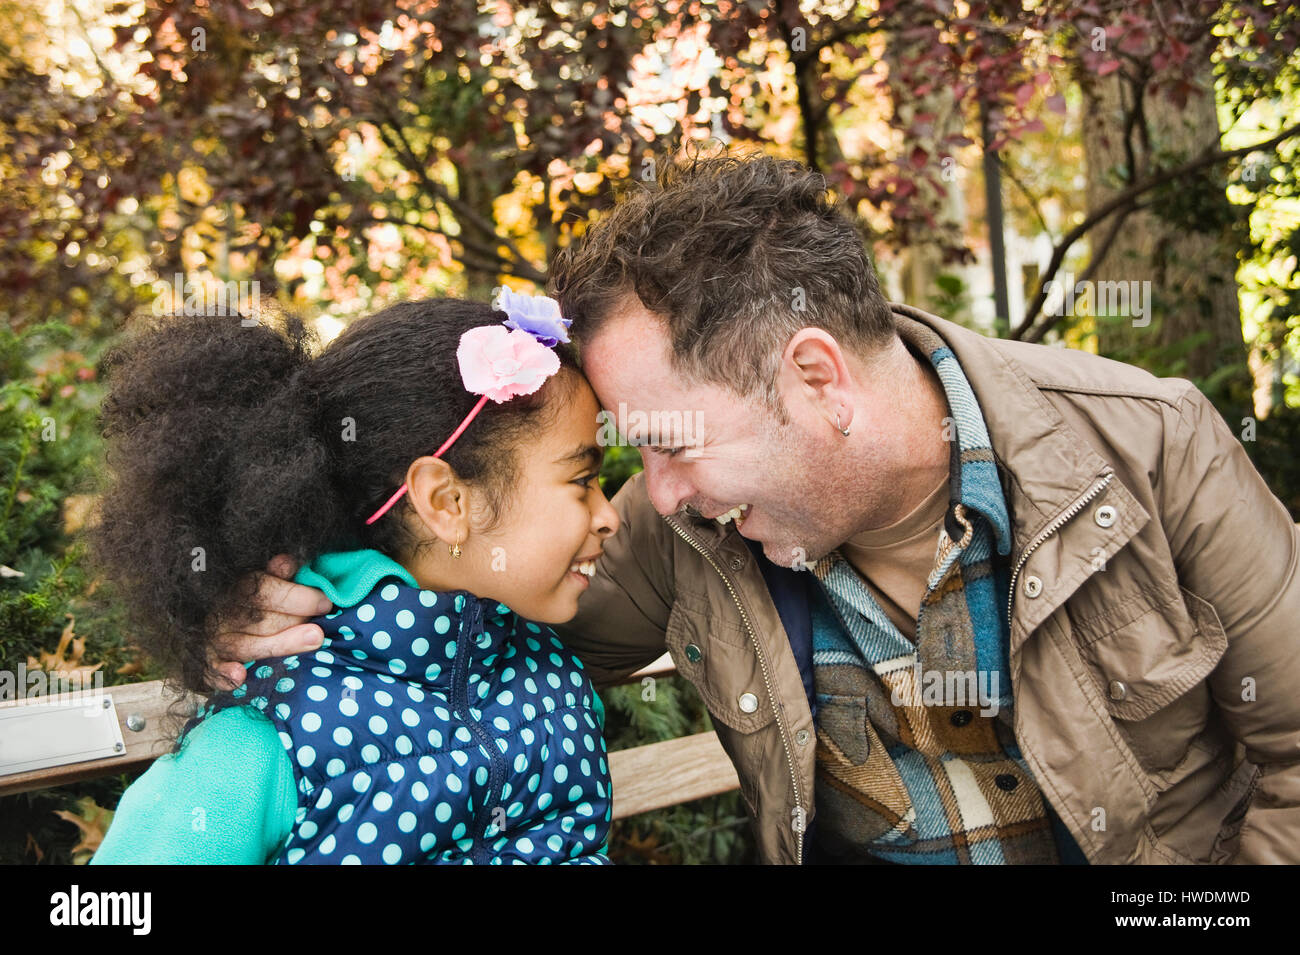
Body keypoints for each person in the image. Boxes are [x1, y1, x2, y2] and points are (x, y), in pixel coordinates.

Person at [217, 151, 1300, 865]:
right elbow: (465, 593)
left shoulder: (1147, 446)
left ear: (817, 380)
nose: (654, 492)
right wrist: (257, 597)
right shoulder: (675, 527)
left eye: (668, 443)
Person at [91, 292, 619, 864]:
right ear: (446, 501)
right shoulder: (272, 730)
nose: (610, 515)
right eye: (582, 479)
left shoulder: (550, 669)